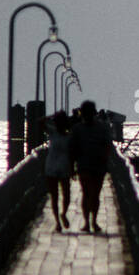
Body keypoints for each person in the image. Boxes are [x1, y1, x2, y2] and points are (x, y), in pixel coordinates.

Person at [69, 100, 112, 233]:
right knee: (88, 193)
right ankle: (88, 222)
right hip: (84, 166)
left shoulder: (102, 128)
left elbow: (107, 146)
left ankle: (92, 221)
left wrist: (106, 160)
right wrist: (71, 167)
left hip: (98, 165)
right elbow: (72, 149)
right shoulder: (77, 129)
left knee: (94, 194)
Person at [40, 111, 73, 232]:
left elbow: (73, 153)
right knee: (54, 196)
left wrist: (73, 169)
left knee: (67, 195)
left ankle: (63, 213)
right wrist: (53, 115)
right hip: (51, 168)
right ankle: (57, 222)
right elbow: (40, 121)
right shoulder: (52, 132)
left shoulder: (69, 136)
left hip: (64, 167)